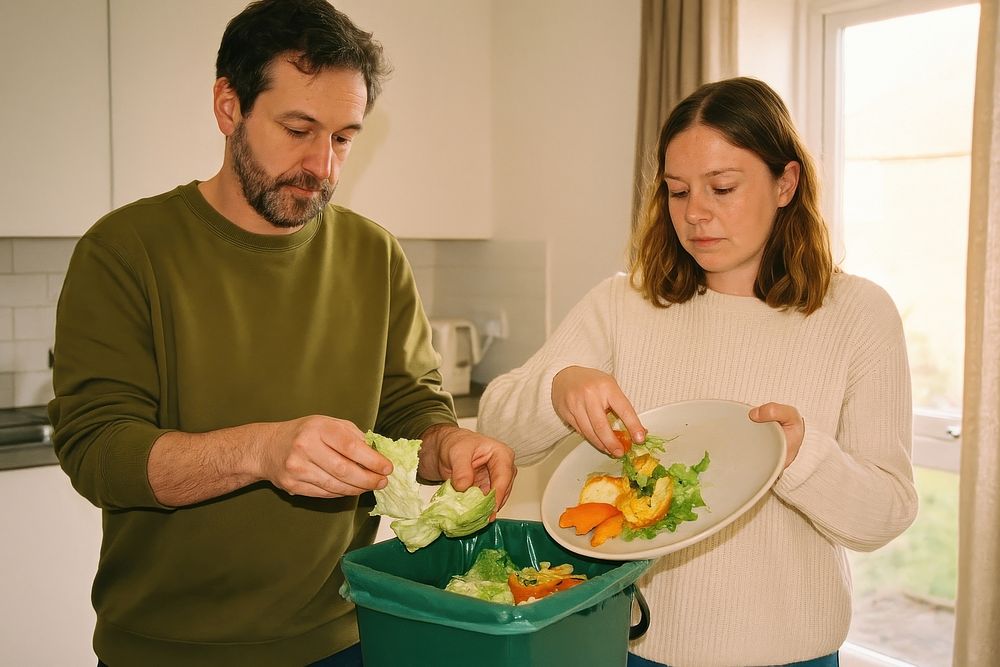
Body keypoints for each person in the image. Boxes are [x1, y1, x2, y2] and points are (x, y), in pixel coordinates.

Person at [48, 1, 515, 665]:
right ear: (228, 106)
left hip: (345, 635)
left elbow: (409, 409)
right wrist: (261, 450)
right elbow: (98, 452)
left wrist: (450, 446)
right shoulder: (125, 251)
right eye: (298, 129)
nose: (322, 165)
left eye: (344, 138)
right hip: (169, 649)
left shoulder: (374, 255)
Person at [477, 76, 917, 667]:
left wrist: (800, 454)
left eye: (722, 187)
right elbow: (497, 427)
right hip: (636, 648)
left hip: (793, 656)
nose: (696, 214)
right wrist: (558, 387)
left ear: (786, 183)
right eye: (678, 191)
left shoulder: (859, 314)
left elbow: (884, 515)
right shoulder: (623, 303)